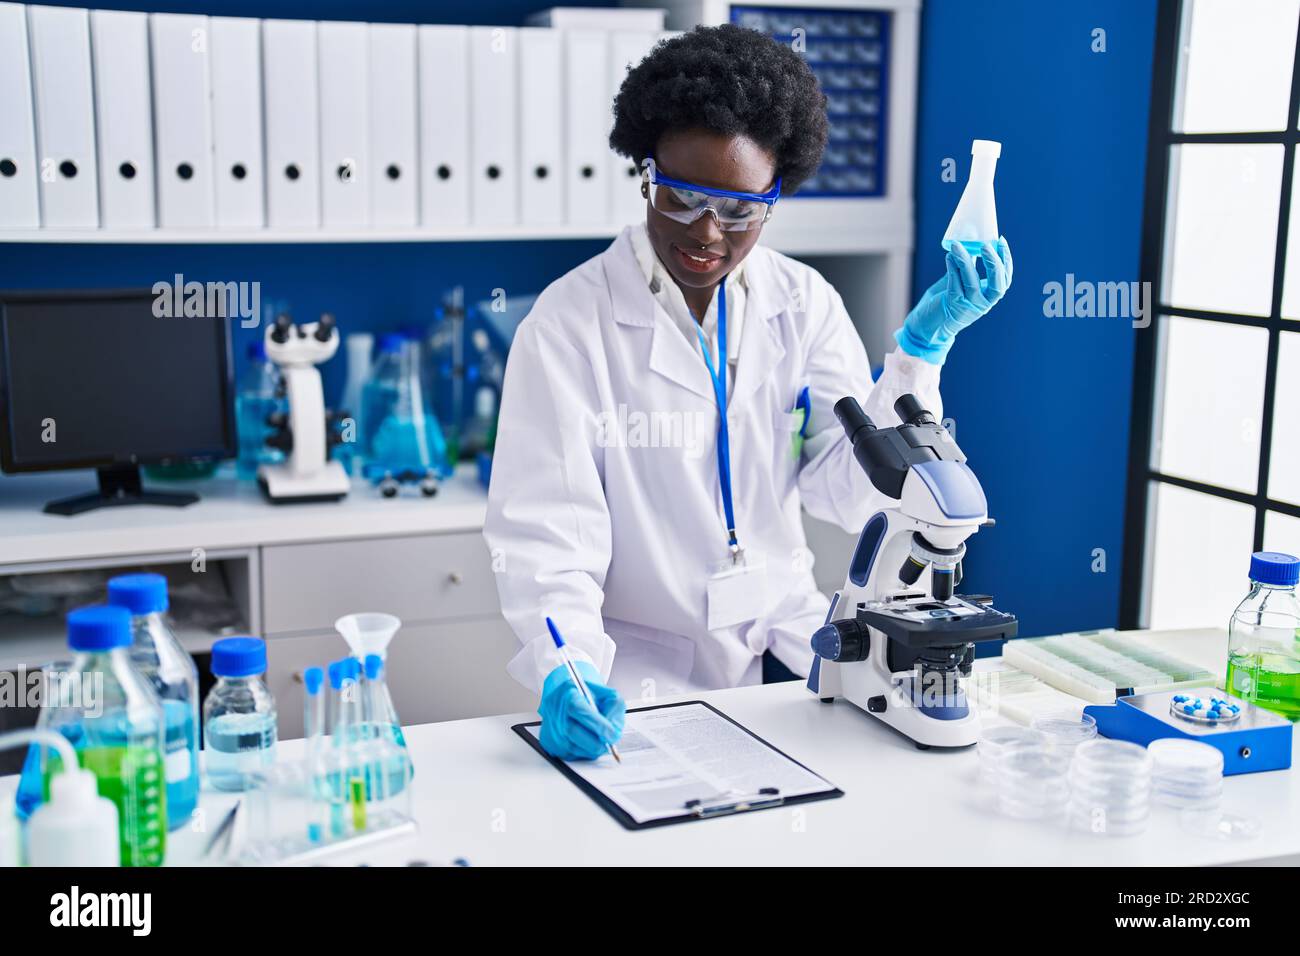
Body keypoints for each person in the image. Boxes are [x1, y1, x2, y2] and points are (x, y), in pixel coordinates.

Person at [484, 24, 1012, 760]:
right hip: (639, 677)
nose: (706, 232)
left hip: (788, 655)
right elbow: (547, 542)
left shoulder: (803, 302)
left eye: (739, 210)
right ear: (647, 174)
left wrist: (919, 354)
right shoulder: (569, 327)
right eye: (679, 198)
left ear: (774, 197)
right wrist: (566, 669)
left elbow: (850, 492)